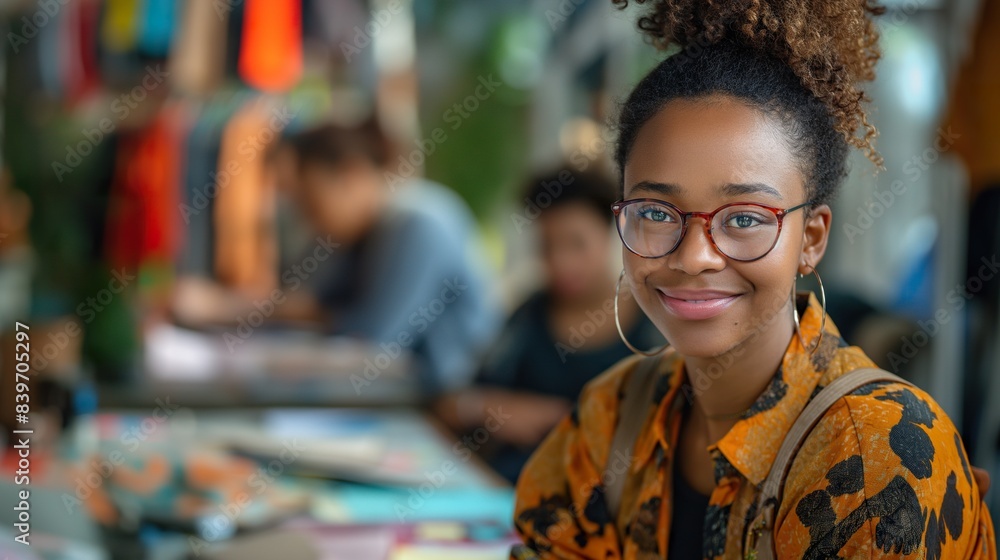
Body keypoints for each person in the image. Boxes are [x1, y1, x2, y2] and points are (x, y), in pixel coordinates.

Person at [511, 1, 997, 558]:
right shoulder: (612, 416)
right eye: (656, 212)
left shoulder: (875, 452)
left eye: (744, 219)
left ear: (811, 238)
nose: (695, 257)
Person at [173, 119, 499, 395]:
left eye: (312, 204)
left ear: (351, 174)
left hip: (449, 402)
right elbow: (306, 303)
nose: (309, 220)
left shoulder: (418, 222)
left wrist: (221, 308)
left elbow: (370, 340)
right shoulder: (356, 233)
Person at [436, 167, 662, 483]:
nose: (560, 262)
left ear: (616, 234)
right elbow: (454, 404)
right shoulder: (529, 317)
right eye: (547, 246)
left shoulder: (655, 324)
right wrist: (492, 408)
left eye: (576, 244)